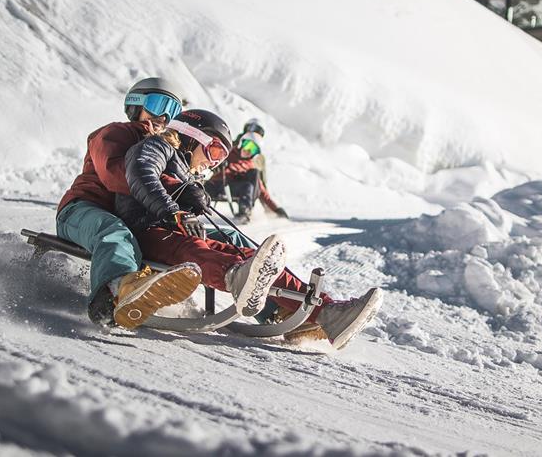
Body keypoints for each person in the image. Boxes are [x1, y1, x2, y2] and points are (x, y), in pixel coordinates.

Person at [115, 109, 384, 350]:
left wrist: (191, 198)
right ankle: (235, 277)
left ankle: (327, 313)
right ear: (192, 135)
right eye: (214, 152)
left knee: (248, 256)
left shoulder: (185, 168)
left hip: (175, 231)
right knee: (195, 250)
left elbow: (176, 187)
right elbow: (142, 172)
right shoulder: (156, 146)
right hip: (148, 231)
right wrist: (174, 212)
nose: (213, 162)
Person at [55, 77, 203, 330]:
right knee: (114, 232)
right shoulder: (115, 133)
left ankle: (274, 300)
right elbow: (117, 175)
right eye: (159, 105)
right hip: (81, 210)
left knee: (200, 238)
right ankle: (114, 293)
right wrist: (174, 188)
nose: (164, 117)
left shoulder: (164, 148)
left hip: (127, 220)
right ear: (136, 105)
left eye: (173, 112)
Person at [206, 118, 288, 224]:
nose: (248, 151)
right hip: (218, 183)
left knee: (252, 178)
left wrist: (276, 209)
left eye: (253, 149)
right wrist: (218, 164)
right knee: (206, 187)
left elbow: (261, 187)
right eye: (247, 146)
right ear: (241, 143)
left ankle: (245, 211)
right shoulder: (229, 150)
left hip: (237, 188)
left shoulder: (252, 163)